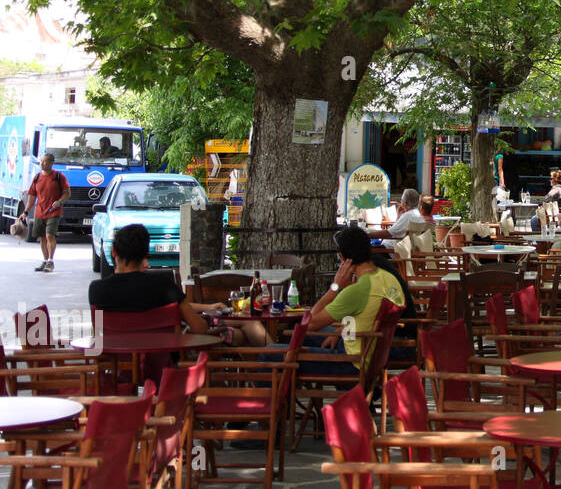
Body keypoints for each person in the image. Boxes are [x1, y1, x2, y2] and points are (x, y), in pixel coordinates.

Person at [88, 224, 265, 344]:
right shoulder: (162, 285)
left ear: (113, 251)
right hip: (165, 361)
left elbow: (97, 337)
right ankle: (274, 367)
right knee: (241, 331)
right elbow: (199, 328)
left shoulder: (96, 290)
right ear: (145, 254)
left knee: (241, 331)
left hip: (119, 360)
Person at [300, 226, 417, 376]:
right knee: (308, 337)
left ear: (342, 258)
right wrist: (340, 331)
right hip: (375, 351)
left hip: (353, 360)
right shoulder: (387, 277)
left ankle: (285, 395)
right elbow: (368, 316)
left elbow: (308, 324)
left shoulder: (357, 290)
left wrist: (335, 288)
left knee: (277, 351)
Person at [20, 153, 70, 273]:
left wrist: (59, 201)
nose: (42, 163)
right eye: (41, 161)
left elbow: (67, 193)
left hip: (54, 211)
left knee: (49, 235)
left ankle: (51, 261)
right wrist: (25, 212)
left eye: (45, 161)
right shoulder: (37, 178)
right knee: (42, 238)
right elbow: (32, 197)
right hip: (40, 212)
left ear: (52, 163)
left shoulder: (59, 176)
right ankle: (45, 261)